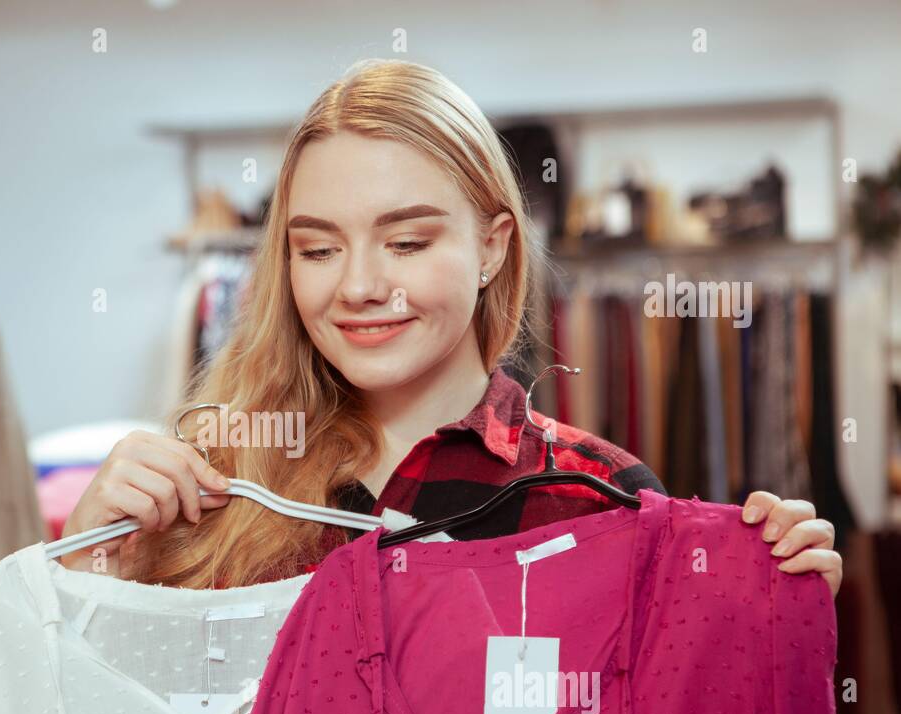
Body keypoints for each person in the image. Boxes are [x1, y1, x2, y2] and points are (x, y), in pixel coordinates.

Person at [57, 58, 842, 598]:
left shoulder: (597, 498)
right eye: (319, 249)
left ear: (493, 247)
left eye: (406, 242)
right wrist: (93, 561)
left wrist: (768, 593)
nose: (360, 286)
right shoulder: (219, 485)